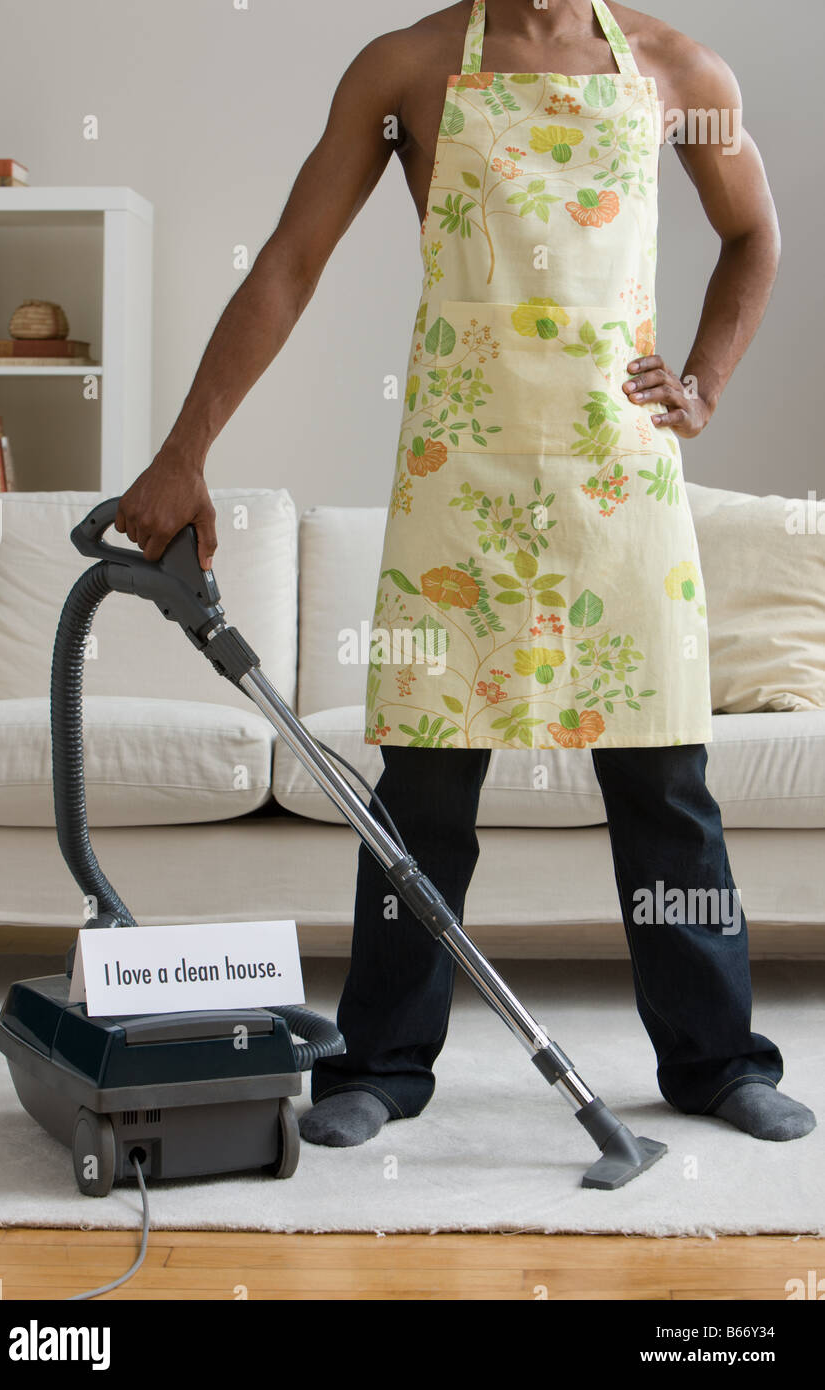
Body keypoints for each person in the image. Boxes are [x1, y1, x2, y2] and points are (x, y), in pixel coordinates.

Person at [116, 1, 815, 1148]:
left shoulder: (675, 67)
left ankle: (716, 1058)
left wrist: (703, 382)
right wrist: (184, 450)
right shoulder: (404, 67)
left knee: (664, 784)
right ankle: (381, 1062)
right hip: (457, 467)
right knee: (424, 786)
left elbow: (754, 233)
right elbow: (291, 262)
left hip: (615, 476)